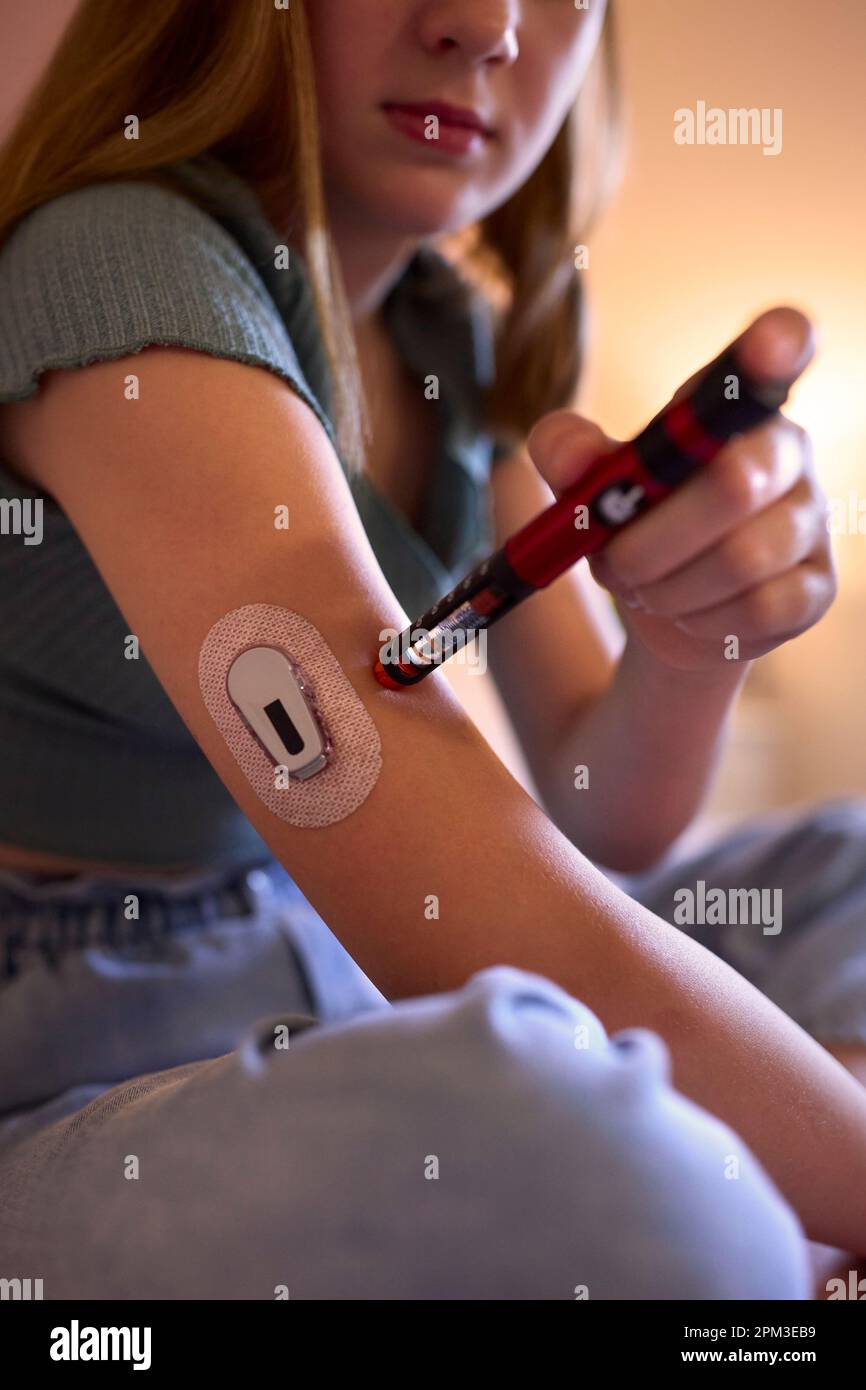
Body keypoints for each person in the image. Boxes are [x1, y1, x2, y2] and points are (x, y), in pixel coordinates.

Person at [0, 0, 863, 1300]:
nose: (483, 23)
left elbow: (599, 812)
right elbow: (453, 893)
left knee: (846, 863)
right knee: (589, 1169)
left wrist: (693, 649)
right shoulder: (125, 268)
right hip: (69, 1044)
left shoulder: (443, 339)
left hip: (325, 957)